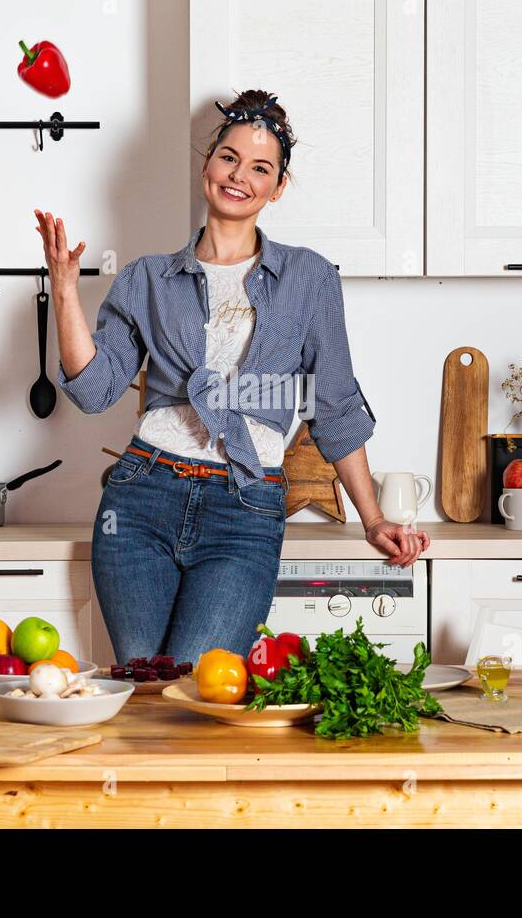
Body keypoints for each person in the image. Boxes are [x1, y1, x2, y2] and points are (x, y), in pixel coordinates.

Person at [37, 89, 428, 665]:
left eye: (260, 167)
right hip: (141, 498)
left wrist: (373, 518)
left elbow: (335, 406)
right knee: (145, 687)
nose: (239, 175)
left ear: (278, 186)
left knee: (199, 684)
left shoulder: (308, 278)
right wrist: (66, 292)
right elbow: (95, 391)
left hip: (244, 509)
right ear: (207, 164)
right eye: (228, 157)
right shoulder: (147, 279)